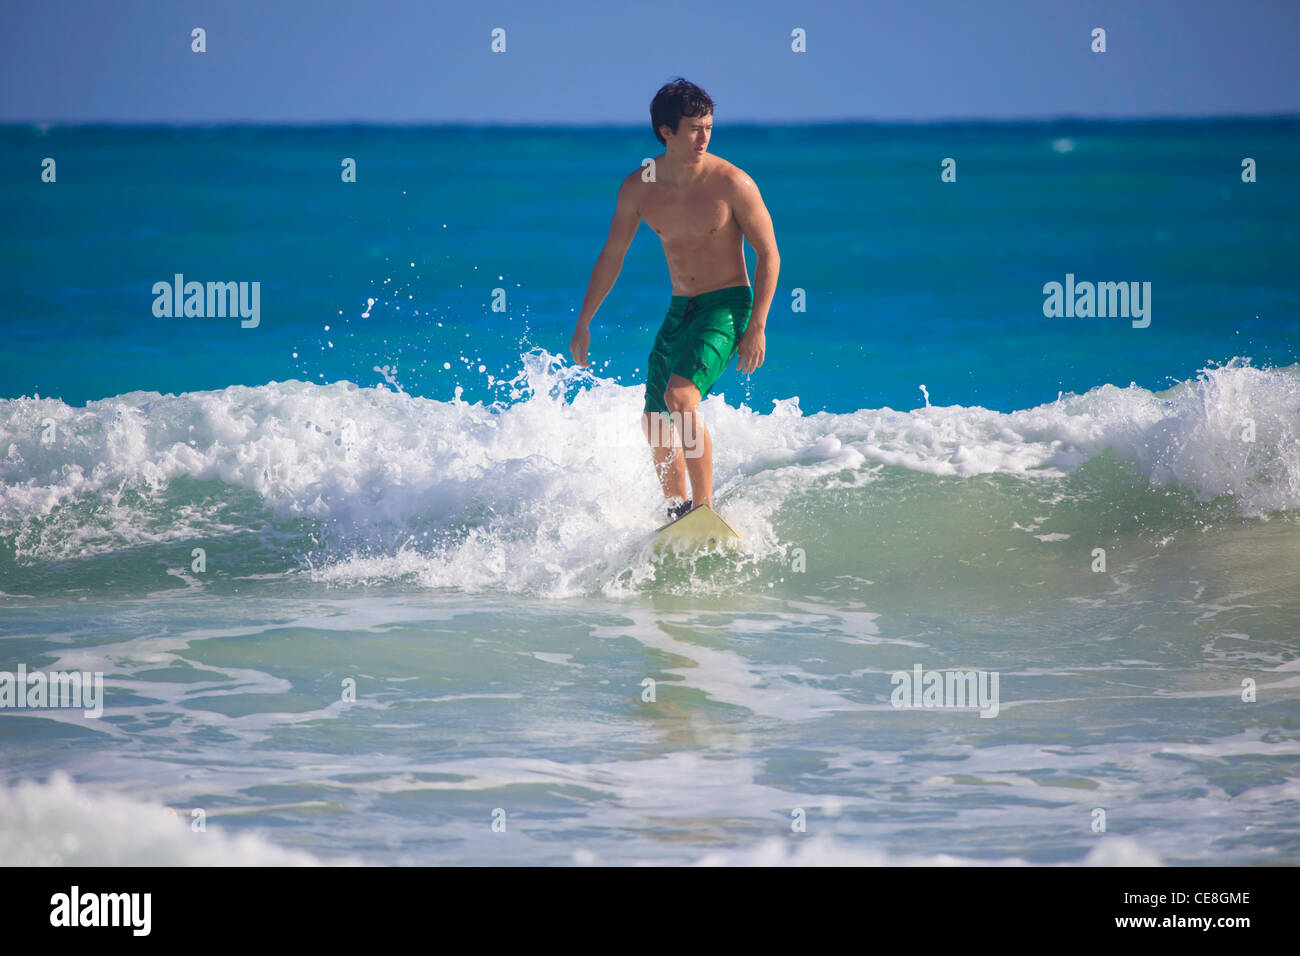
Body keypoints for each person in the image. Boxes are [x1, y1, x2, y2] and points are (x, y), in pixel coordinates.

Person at [569, 77, 780, 522]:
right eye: (693, 128)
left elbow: (768, 253)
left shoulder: (731, 182)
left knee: (681, 399)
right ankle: (676, 512)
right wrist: (584, 319)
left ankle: (704, 509)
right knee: (655, 419)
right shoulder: (640, 186)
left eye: (708, 126)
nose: (704, 137)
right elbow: (612, 255)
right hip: (679, 308)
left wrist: (757, 324)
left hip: (726, 305)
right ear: (666, 132)